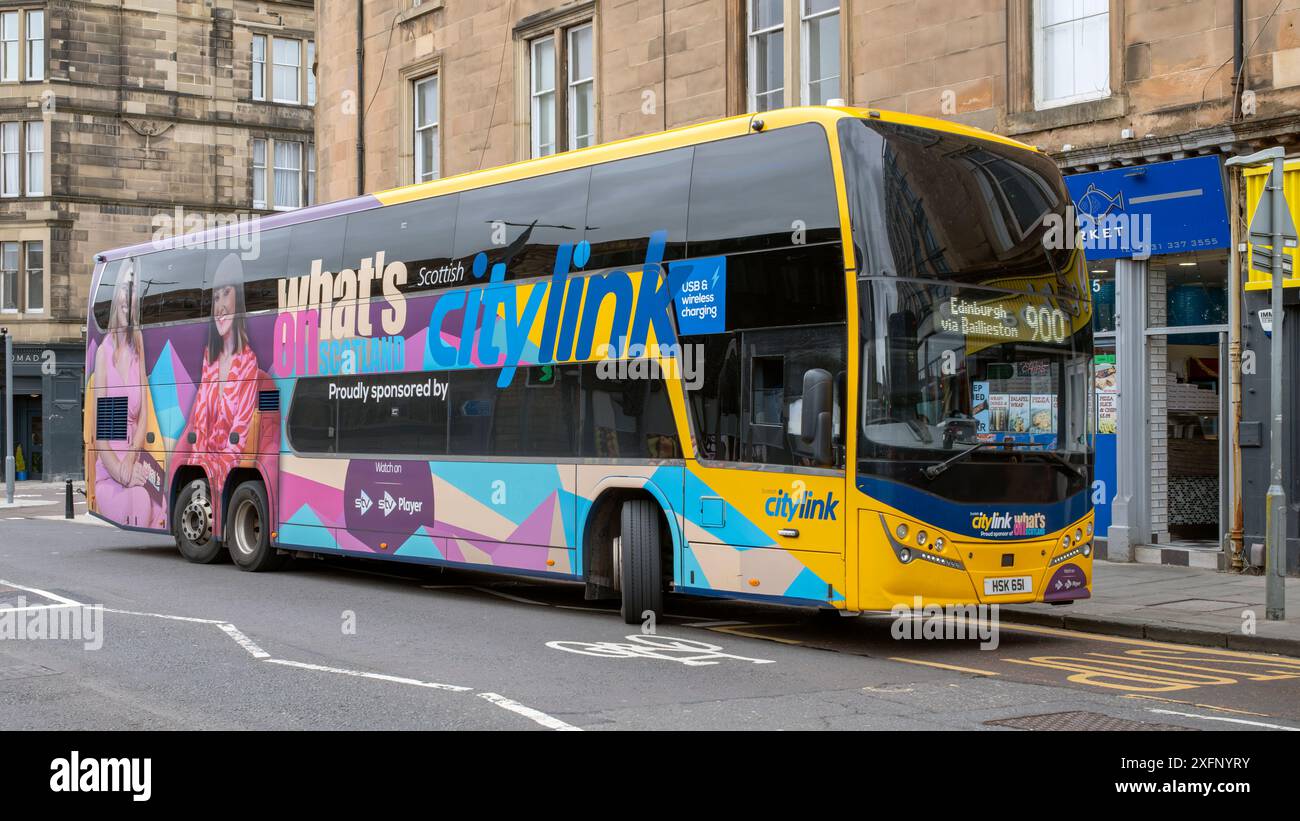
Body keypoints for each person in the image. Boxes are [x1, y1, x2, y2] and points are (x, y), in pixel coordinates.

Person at [90, 258, 166, 528]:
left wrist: (133, 458)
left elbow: (143, 411)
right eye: (124, 289)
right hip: (110, 470)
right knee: (142, 500)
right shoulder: (103, 353)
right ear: (115, 296)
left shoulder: (139, 345)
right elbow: (102, 434)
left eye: (134, 292)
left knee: (162, 504)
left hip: (135, 458)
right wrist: (121, 472)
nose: (128, 298)